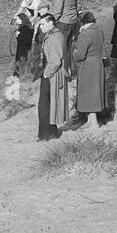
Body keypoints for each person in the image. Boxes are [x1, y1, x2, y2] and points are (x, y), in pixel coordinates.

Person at [67, 11, 109, 128]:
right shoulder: (99, 31)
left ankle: (93, 122)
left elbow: (80, 55)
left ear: (84, 23)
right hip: (98, 63)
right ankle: (91, 120)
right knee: (95, 91)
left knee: (89, 92)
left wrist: (74, 51)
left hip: (88, 66)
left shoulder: (84, 35)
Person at [36, 12, 69, 141]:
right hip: (55, 73)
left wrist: (46, 73)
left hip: (52, 74)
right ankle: (53, 132)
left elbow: (55, 61)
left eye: (43, 24)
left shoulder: (53, 37)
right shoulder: (58, 34)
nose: (41, 27)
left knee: (44, 105)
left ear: (51, 23)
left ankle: (45, 135)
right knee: (51, 104)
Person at [11, 0, 36, 77]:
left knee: (22, 61)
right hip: (21, 49)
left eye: (18, 19)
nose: (17, 21)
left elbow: (26, 41)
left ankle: (19, 74)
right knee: (19, 60)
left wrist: (18, 36)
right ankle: (18, 73)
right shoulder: (22, 28)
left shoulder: (27, 29)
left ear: (22, 20)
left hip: (23, 50)